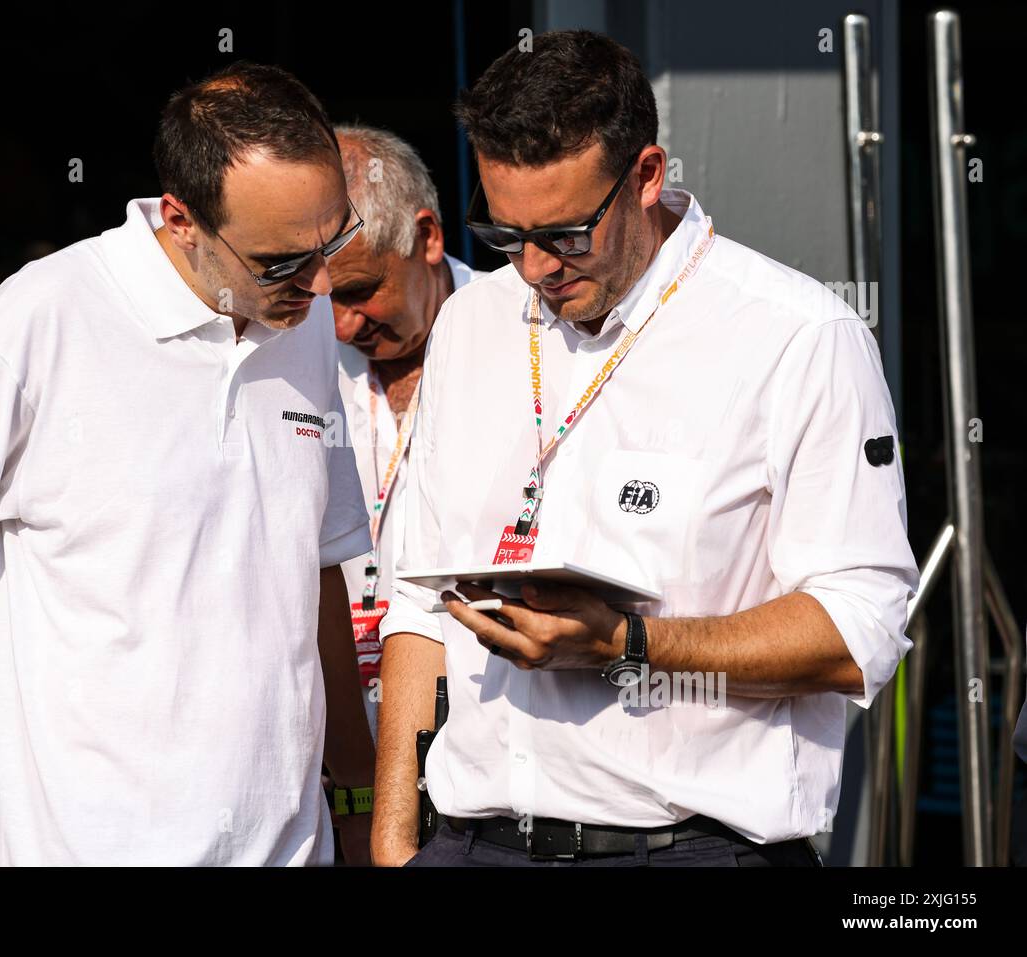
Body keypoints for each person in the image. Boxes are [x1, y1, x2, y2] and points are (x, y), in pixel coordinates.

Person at [0, 62, 376, 867]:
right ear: (180, 219)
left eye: (334, 239)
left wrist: (356, 792)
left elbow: (314, 571)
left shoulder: (303, 321)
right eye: (280, 261)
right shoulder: (45, 317)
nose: (320, 282)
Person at [372, 30, 920, 867]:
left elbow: (860, 630)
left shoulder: (798, 336)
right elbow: (419, 602)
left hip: (684, 847)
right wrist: (394, 841)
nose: (532, 269)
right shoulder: (471, 323)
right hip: (469, 840)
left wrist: (629, 645)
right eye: (504, 234)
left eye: (564, 234)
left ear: (648, 174)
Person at [327, 124, 485, 740]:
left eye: (362, 292)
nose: (341, 327)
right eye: (325, 297)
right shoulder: (292, 354)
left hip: (471, 737)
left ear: (427, 237)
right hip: (337, 744)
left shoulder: (524, 343)